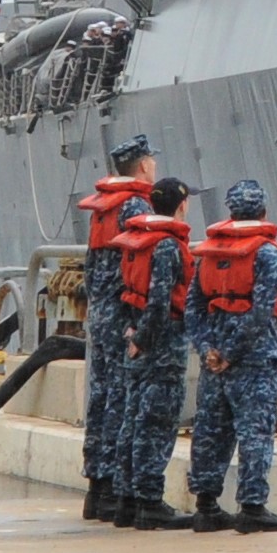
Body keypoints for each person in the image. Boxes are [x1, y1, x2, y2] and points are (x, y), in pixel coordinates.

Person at [186, 178, 277, 531]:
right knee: (255, 433)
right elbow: (262, 312)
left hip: (213, 359)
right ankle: (252, 508)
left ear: (230, 212)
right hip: (251, 359)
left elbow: (193, 307)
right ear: (262, 212)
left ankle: (206, 507)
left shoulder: (208, 252)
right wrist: (232, 354)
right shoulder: (266, 254)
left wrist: (208, 350)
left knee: (210, 431)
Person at [74, 136, 158, 521]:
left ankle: (95, 488)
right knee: (122, 401)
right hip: (123, 317)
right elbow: (141, 270)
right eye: (150, 160)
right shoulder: (138, 206)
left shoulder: (104, 210)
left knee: (101, 395)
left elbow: (91, 269)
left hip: (101, 315)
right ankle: (114, 490)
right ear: (142, 166)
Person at [114, 177, 199, 528]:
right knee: (157, 423)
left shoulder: (137, 241)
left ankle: (126, 499)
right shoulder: (166, 247)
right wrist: (145, 339)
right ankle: (150, 501)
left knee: (132, 420)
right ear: (181, 205)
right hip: (162, 345)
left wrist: (131, 335)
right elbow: (161, 301)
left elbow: (124, 292)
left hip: (136, 340)